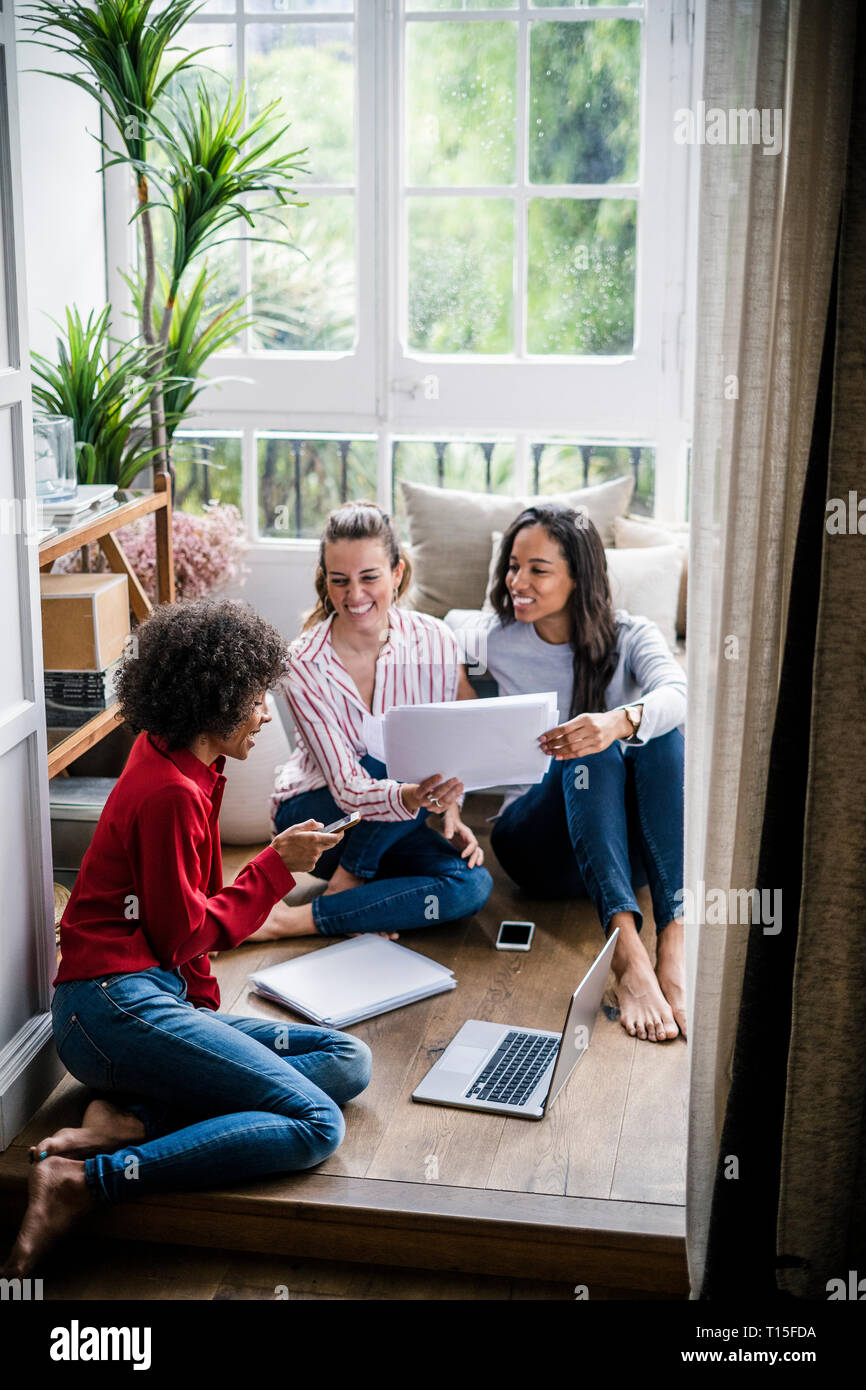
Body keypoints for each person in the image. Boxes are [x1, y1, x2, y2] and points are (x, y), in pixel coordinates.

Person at [2, 598, 372, 1279]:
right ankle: (85, 1181)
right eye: (257, 698)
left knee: (349, 1060)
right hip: (108, 1009)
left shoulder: (184, 762)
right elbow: (183, 935)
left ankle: (136, 1119)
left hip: (144, 999)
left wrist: (201, 1018)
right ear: (216, 699)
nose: (267, 714)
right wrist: (273, 865)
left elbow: (187, 930)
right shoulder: (170, 791)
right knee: (318, 1123)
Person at [458, 503, 687, 1043]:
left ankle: (673, 947)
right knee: (583, 746)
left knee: (657, 734)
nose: (518, 581)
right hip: (536, 845)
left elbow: (680, 693)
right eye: (513, 566)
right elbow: (451, 713)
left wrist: (618, 721)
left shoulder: (631, 635)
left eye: (538, 569)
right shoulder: (487, 638)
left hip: (623, 855)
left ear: (579, 577)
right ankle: (628, 957)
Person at [251, 500, 493, 943]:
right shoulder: (302, 661)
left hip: (398, 818)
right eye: (340, 581)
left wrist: (451, 812)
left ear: (397, 573)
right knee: (399, 760)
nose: (355, 596)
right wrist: (417, 796)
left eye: (369, 578)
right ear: (326, 580)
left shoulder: (436, 639)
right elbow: (347, 787)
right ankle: (351, 880)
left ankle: (296, 919)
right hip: (321, 822)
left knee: (471, 885)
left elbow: (448, 748)